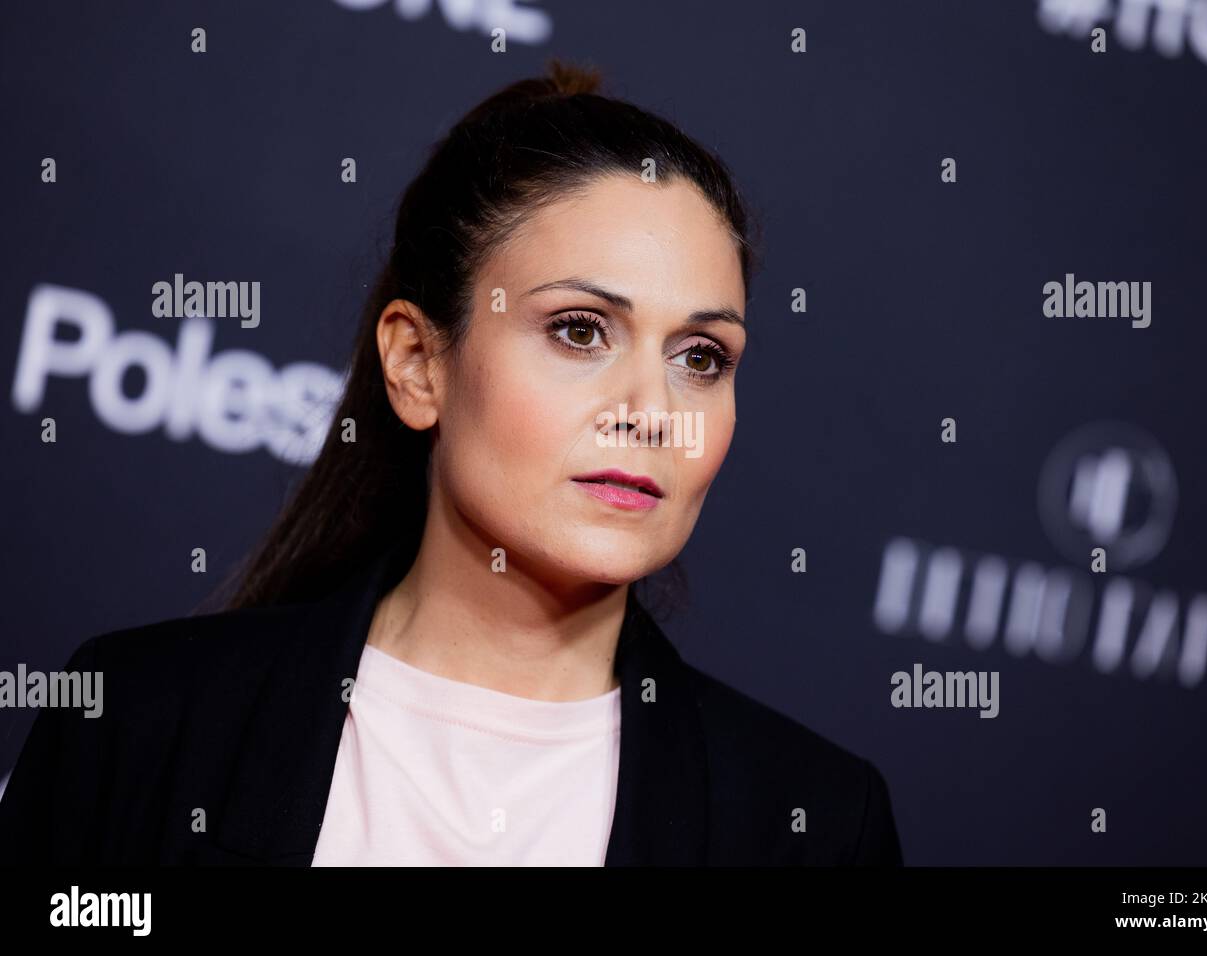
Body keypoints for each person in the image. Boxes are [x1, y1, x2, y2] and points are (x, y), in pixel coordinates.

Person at [0, 58, 903, 866]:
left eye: (701, 357)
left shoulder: (814, 826)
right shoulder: (137, 723)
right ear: (418, 365)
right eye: (580, 331)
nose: (651, 415)